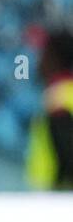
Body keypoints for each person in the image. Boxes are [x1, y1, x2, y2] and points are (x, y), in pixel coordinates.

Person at [27, 27, 73, 191]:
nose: (37, 61)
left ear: (55, 59)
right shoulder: (58, 93)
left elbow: (66, 153)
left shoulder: (58, 99)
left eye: (42, 54)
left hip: (58, 195)